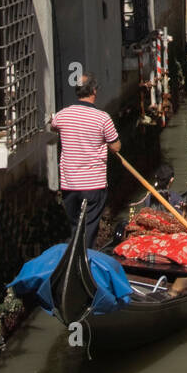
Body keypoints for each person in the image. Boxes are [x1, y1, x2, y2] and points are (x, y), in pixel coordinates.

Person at [50, 73, 121, 249]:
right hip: (93, 184)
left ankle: (75, 257)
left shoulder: (62, 115)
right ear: (94, 91)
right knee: (90, 227)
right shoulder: (102, 118)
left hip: (70, 184)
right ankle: (85, 259)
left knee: (75, 226)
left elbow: (53, 126)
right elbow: (116, 147)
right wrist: (102, 140)